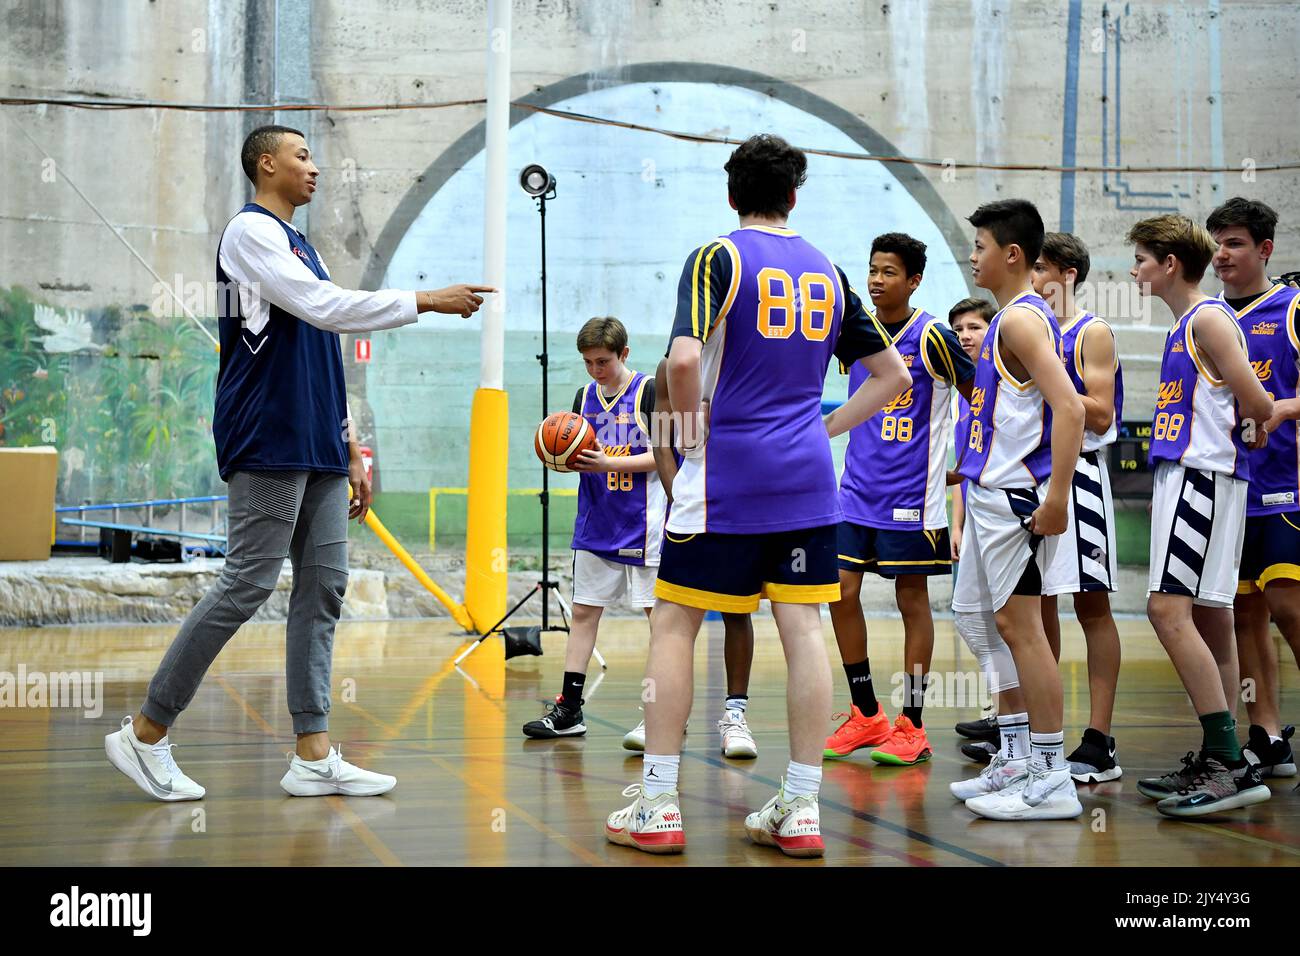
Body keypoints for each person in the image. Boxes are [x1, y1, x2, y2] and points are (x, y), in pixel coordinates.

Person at [105, 124, 492, 800]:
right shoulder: (251, 233)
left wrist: (350, 447)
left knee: (324, 588)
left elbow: (323, 351)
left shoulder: (300, 244)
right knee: (248, 584)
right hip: (269, 436)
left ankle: (313, 754)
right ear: (266, 165)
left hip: (316, 442)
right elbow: (325, 308)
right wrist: (425, 299)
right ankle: (145, 734)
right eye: (302, 156)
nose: (315, 167)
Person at [603, 134, 908, 856]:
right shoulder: (831, 271)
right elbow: (891, 375)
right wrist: (823, 427)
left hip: (727, 476)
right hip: (806, 479)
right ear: (794, 196)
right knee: (803, 631)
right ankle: (801, 806)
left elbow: (682, 357)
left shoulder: (719, 256)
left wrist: (690, 429)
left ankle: (657, 804)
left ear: (731, 194)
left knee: (675, 623)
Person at [1129, 213, 1274, 817]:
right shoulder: (1186, 324)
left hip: (1202, 478)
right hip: (1195, 478)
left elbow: (1258, 400)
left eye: (1141, 258)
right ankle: (1225, 756)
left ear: (1169, 264)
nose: (1134, 270)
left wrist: (1264, 415)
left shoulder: (1208, 319)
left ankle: (1230, 760)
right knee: (1213, 617)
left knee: (1166, 609)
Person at [947, 199, 1086, 822]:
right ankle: (1017, 755)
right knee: (983, 622)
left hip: (1016, 500)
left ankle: (1053, 775)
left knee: (1022, 630)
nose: (972, 256)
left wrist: (1056, 496)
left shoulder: (1024, 321)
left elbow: (1074, 409)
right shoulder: (1006, 320)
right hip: (987, 493)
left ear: (1011, 254)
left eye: (979, 245)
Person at [824, 233, 975, 766]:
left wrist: (972, 460)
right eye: (872, 270)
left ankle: (912, 723)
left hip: (913, 497)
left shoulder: (932, 335)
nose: (876, 279)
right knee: (839, 593)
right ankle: (866, 714)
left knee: (911, 599)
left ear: (913, 281)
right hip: (854, 492)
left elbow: (980, 393)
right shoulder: (857, 337)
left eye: (889, 272)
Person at [522, 317, 665, 739]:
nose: (595, 370)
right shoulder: (583, 396)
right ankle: (570, 709)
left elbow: (668, 456)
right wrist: (562, 458)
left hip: (646, 524)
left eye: (602, 361)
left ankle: (662, 712)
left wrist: (610, 463)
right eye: (587, 362)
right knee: (583, 614)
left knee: (659, 621)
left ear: (624, 354)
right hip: (596, 521)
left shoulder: (650, 391)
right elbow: (578, 455)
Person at [625, 356, 758, 759]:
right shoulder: (672, 364)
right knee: (674, 619)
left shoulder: (746, 355)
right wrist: (675, 494)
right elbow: (661, 444)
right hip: (689, 508)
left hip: (743, 501)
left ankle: (735, 716)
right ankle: (666, 715)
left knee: (738, 611)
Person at [1208, 197, 1300, 778]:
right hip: (1229, 492)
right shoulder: (1205, 317)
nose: (1222, 254)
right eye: (1217, 242)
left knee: (1290, 610)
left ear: (1264, 249)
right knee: (1244, 617)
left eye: (1235, 243)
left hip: (1285, 491)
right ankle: (1265, 735)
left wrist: (1282, 407)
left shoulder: (1292, 308)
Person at [1031, 232, 1126, 784]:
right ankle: (1044, 732)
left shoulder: (1090, 330)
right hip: (1034, 473)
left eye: (1041, 267)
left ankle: (1100, 740)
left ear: (1066, 274)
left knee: (1091, 607)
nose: (1034, 277)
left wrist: (1050, 384)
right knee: (1037, 603)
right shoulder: (1033, 328)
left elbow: (1101, 413)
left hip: (1080, 478)